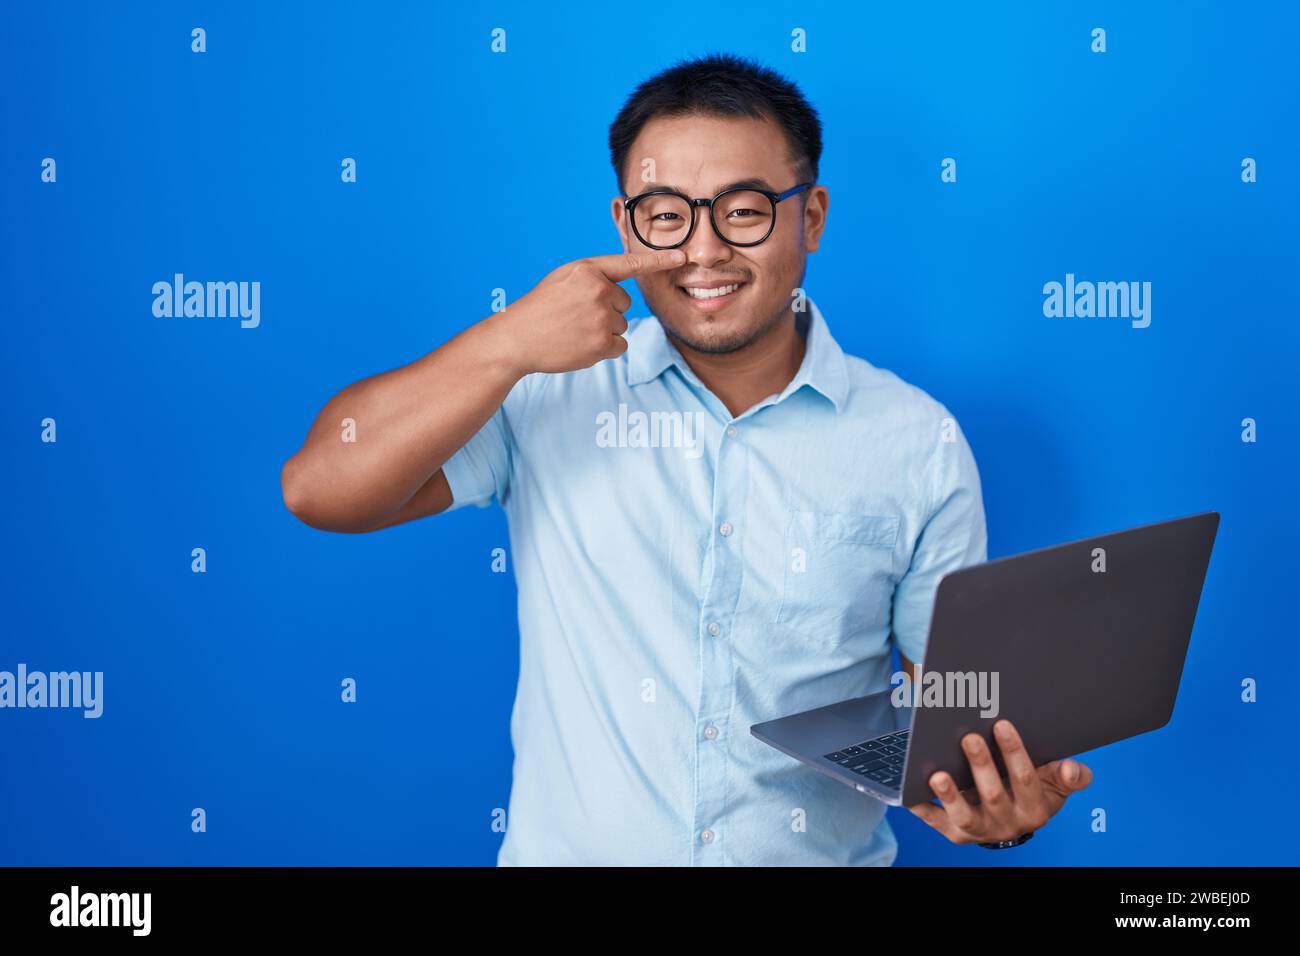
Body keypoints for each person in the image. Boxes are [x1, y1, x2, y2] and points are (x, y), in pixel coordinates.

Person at [281, 53, 1092, 865]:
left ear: (810, 216)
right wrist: (506, 342)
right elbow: (320, 487)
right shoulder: (544, 394)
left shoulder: (918, 441)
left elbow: (954, 714)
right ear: (626, 224)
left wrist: (998, 807)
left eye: (744, 211)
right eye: (665, 215)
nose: (702, 252)